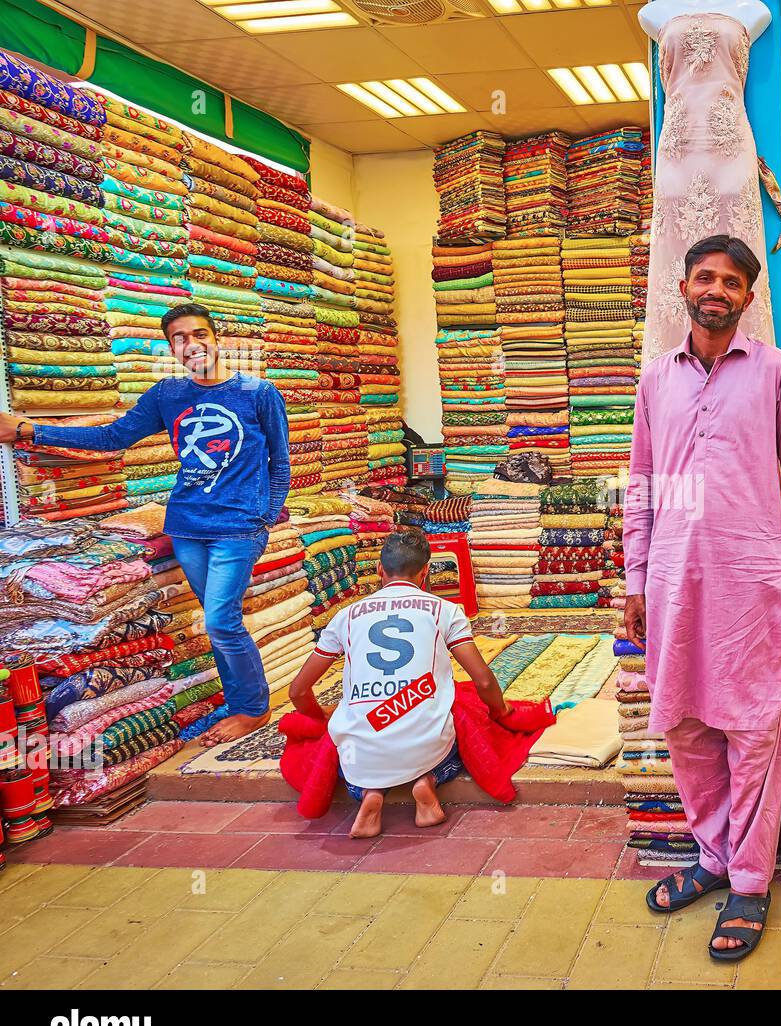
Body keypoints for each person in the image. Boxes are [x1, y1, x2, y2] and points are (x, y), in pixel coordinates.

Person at [624, 233, 781, 961]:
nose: (716, 289)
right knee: (682, 721)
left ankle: (748, 878)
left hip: (750, 579)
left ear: (746, 296)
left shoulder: (774, 373)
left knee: (752, 730)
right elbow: (641, 486)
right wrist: (636, 579)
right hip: (676, 579)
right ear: (683, 287)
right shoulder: (655, 380)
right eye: (705, 276)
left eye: (732, 281)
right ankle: (711, 854)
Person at [0, 303, 291, 746]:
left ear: (217, 338)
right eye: (179, 338)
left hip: (239, 528)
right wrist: (29, 431)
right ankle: (239, 704)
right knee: (219, 621)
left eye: (199, 335)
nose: (191, 345)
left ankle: (253, 708)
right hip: (187, 525)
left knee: (221, 620)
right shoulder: (167, 395)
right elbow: (111, 437)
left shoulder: (257, 393)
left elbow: (280, 463)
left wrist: (264, 517)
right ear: (172, 348)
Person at [288, 528, 511, 840]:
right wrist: (500, 712)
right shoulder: (445, 611)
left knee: (350, 751)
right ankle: (427, 783)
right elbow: (483, 680)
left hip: (360, 754)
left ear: (380, 570)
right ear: (425, 572)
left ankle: (369, 794)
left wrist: (319, 717)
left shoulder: (346, 616)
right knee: (464, 723)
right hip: (427, 746)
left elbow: (297, 691)